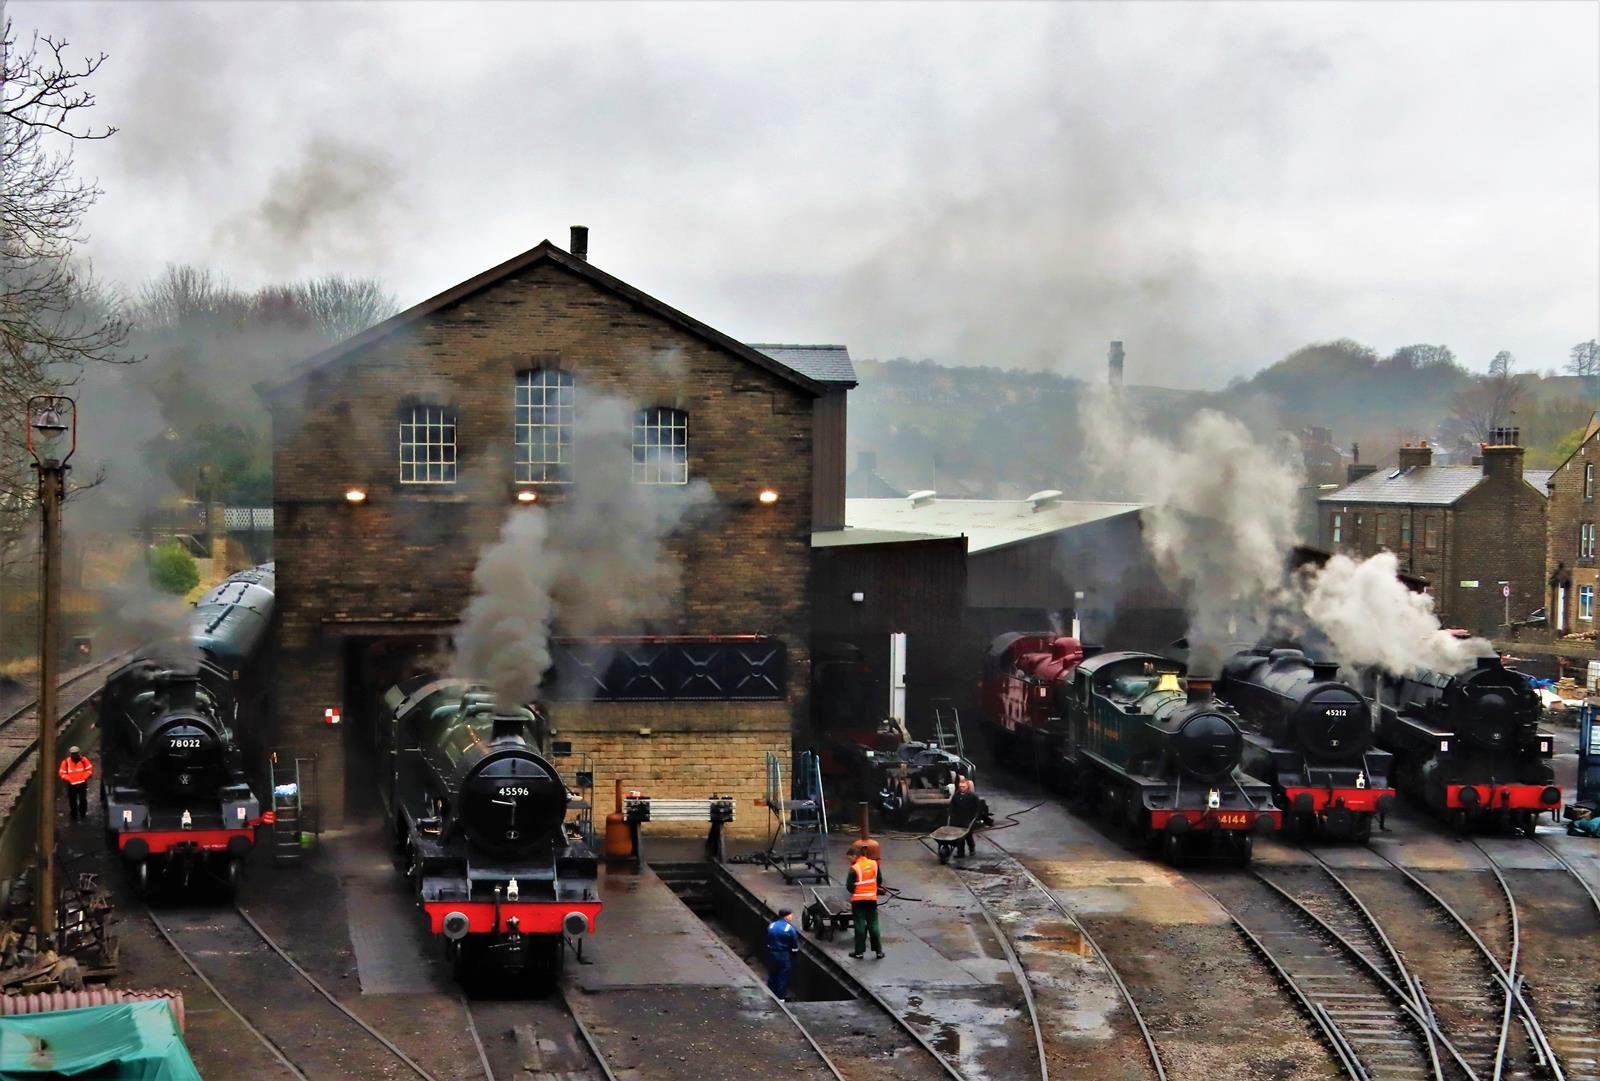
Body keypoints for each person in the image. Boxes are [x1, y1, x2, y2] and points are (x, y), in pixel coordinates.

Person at [845, 842, 885, 959]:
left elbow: (849, 886)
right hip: (872, 900)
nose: (849, 861)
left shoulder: (854, 868)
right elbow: (879, 880)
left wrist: (857, 890)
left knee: (860, 925)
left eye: (849, 858)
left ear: (854, 856)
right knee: (874, 924)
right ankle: (878, 951)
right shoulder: (874, 864)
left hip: (858, 901)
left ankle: (859, 952)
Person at [765, 907, 801, 999]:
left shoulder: (771, 926)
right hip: (784, 956)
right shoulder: (789, 928)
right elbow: (794, 945)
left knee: (772, 975)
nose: (791, 917)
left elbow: (768, 940)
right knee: (783, 977)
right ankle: (781, 998)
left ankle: (770, 996)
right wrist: (795, 956)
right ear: (787, 916)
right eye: (791, 915)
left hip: (772, 954)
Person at [947, 775, 987, 857]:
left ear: (967, 786)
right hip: (958, 820)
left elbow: (978, 808)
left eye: (964, 786)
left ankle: (972, 849)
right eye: (960, 786)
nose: (962, 788)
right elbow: (952, 807)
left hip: (968, 820)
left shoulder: (973, 797)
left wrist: (976, 817)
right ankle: (960, 853)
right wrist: (951, 816)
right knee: (960, 838)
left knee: (968, 836)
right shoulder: (956, 796)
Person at [58, 746, 93, 823]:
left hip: (82, 784)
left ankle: (83, 814)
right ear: (70, 754)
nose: (75, 755)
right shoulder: (66, 762)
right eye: (73, 753)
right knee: (72, 801)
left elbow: (89, 769)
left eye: (76, 753)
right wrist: (70, 780)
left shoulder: (84, 760)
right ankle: (74, 815)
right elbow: (62, 773)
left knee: (83, 799)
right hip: (72, 785)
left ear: (78, 753)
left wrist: (83, 778)